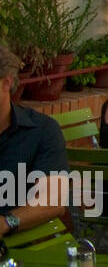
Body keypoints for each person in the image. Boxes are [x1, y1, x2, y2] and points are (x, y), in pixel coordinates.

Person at [0, 44, 69, 241]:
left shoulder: (42, 130)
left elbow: (52, 200)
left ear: (6, 83)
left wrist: (6, 223)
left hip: (23, 241)